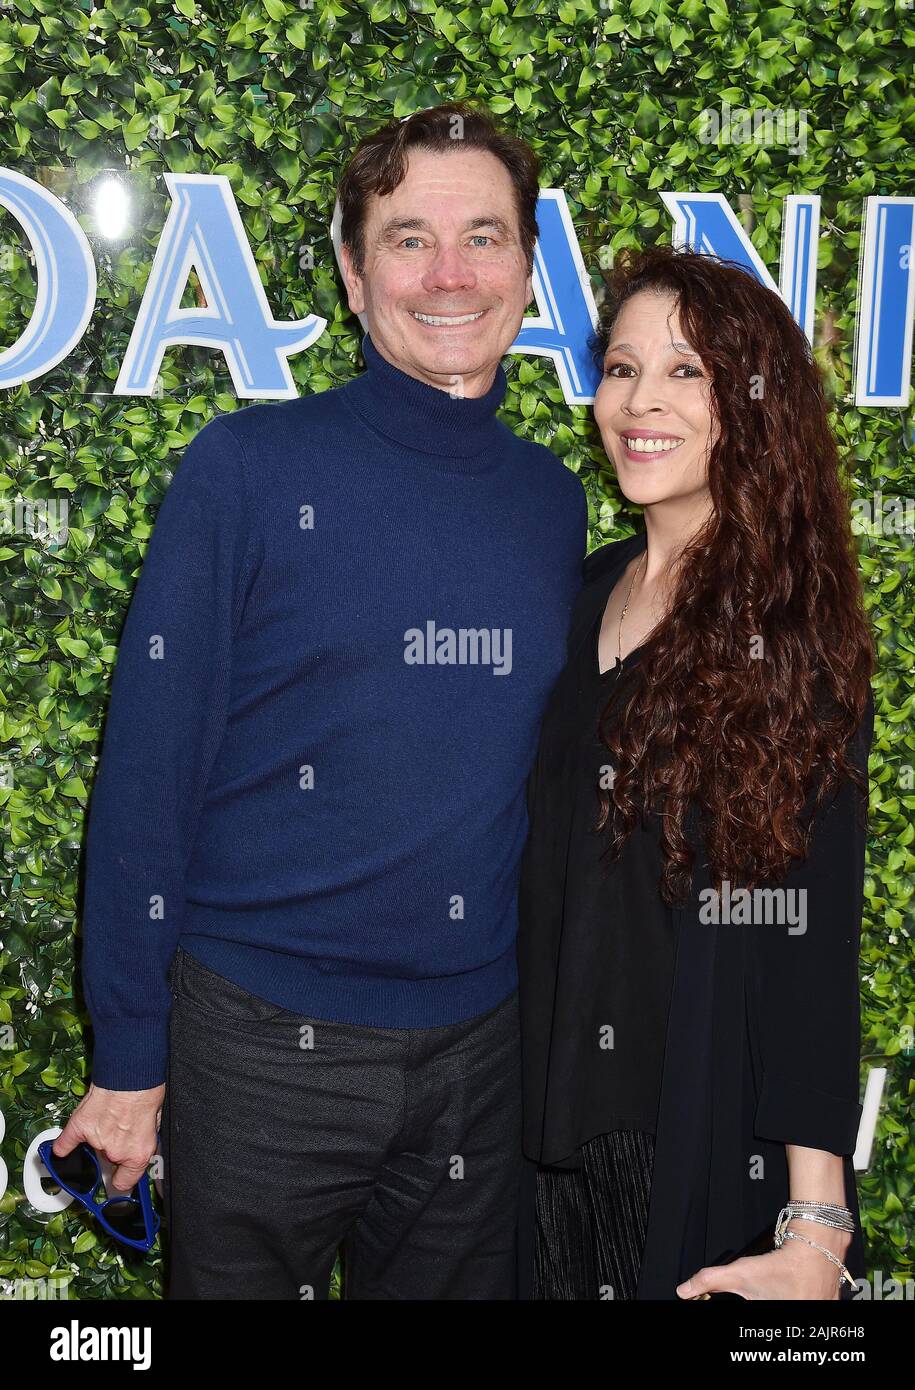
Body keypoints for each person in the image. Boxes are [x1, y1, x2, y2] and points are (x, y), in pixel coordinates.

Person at [58, 102, 588, 1299]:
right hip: (258, 1043)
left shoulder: (554, 503)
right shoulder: (246, 470)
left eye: (486, 238)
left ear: (528, 267)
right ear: (352, 277)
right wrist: (131, 1056)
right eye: (408, 240)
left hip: (483, 1048)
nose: (450, 274)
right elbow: (148, 771)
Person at [517, 242, 876, 1301]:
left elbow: (812, 939)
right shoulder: (583, 589)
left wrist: (815, 1225)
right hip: (531, 1139)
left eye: (685, 371)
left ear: (749, 407)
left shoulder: (788, 632)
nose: (640, 400)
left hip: (685, 1140)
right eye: (621, 368)